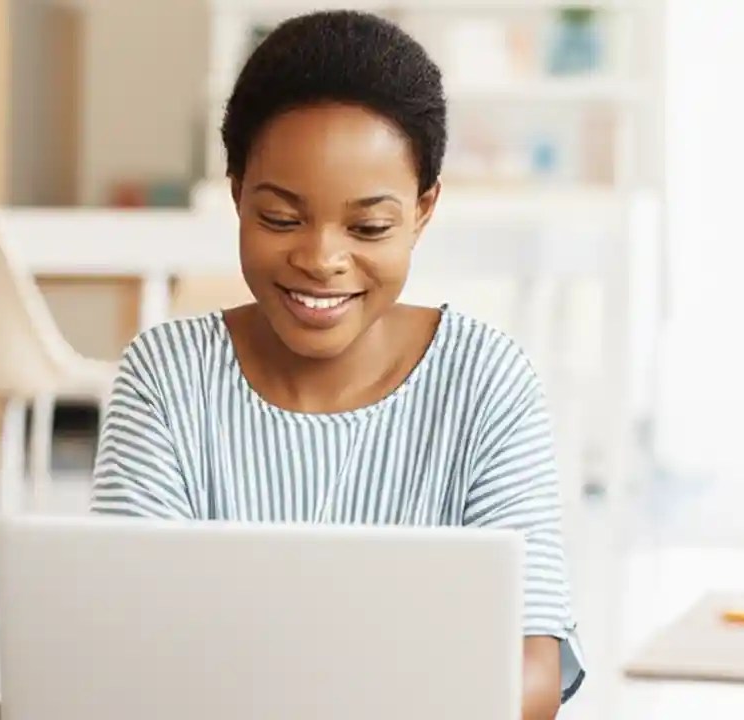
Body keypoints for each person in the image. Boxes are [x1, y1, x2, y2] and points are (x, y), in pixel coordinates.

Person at [89, 11, 582, 718]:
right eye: (281, 219)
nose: (322, 260)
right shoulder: (167, 378)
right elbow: (122, 644)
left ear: (423, 210)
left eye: (369, 226)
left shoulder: (485, 381)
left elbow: (532, 670)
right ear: (237, 194)